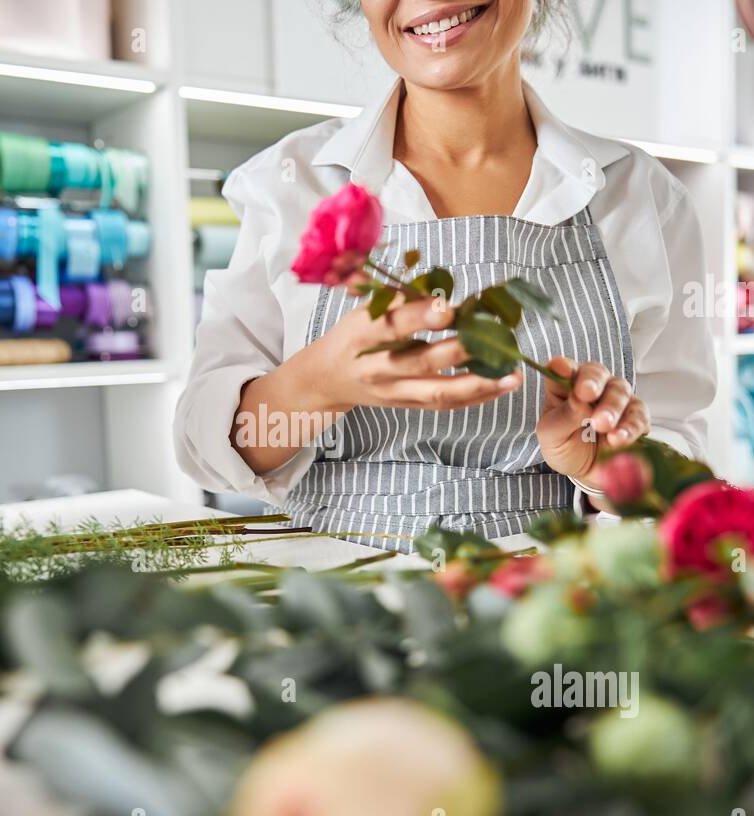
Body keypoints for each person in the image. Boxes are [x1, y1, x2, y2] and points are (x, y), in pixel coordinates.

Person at [175, 0, 717, 551]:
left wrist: (608, 474)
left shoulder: (643, 198)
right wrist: (319, 384)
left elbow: (678, 440)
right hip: (337, 583)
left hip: (564, 589)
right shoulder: (286, 185)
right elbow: (208, 447)